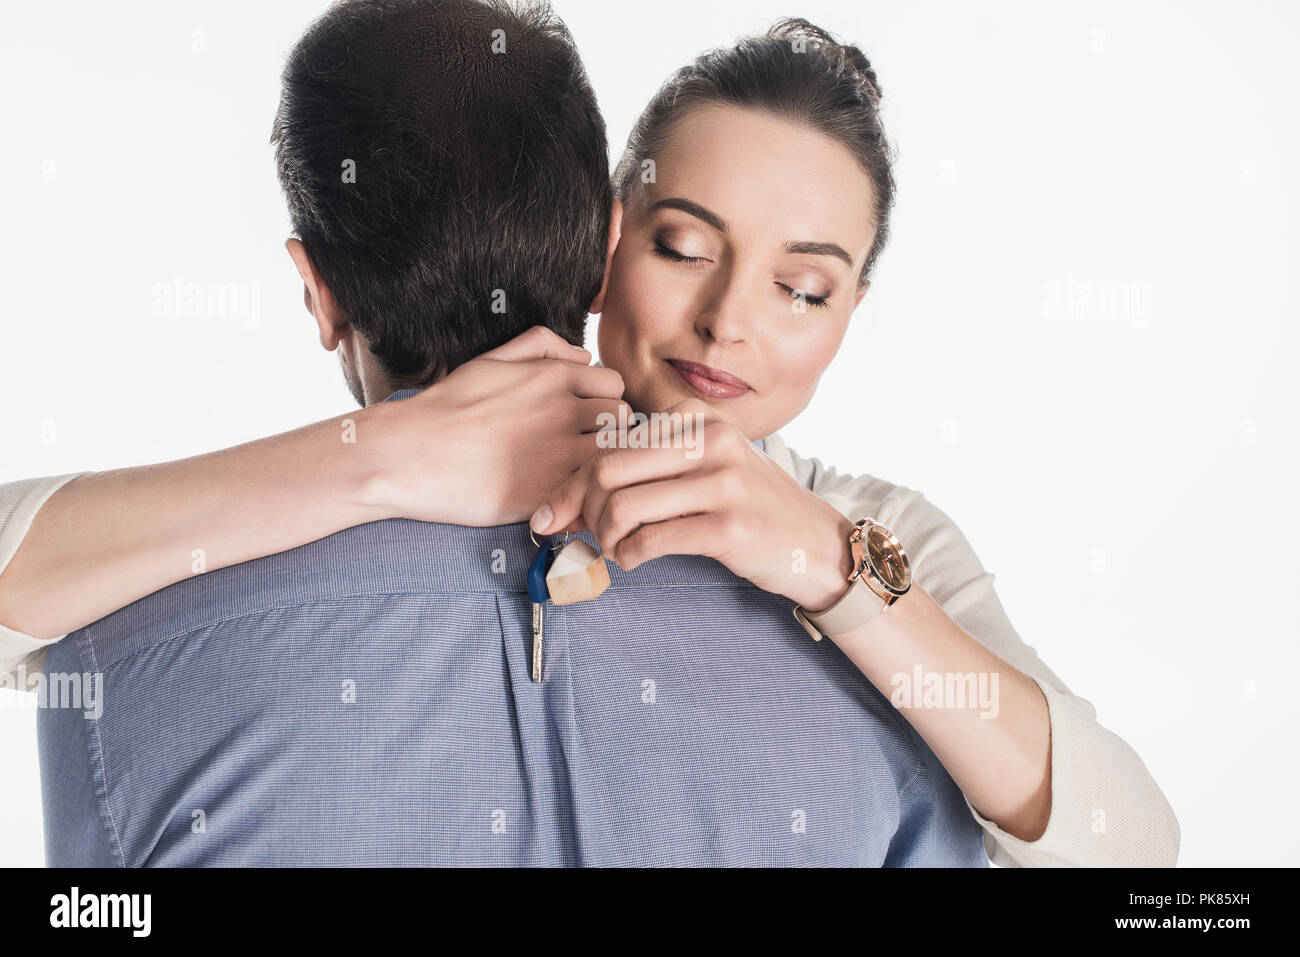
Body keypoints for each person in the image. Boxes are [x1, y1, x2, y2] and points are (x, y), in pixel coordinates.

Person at [0, 2, 1178, 867]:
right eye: (681, 246)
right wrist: (384, 460)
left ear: (854, 308)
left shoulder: (881, 535)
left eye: (802, 289)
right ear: (603, 238)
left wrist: (831, 569)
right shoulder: (211, 566)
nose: (727, 323)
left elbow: (1132, 858)